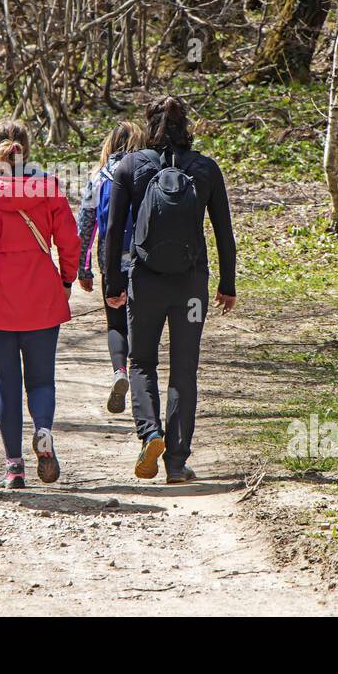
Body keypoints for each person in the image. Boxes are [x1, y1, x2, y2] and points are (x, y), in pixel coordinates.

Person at [102, 96, 237, 484]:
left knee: (142, 361)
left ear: (149, 126)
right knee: (184, 370)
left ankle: (151, 434)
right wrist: (227, 283)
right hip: (192, 283)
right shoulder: (206, 169)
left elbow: (113, 232)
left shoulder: (130, 166)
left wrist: (113, 282)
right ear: (186, 126)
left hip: (145, 280)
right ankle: (177, 462)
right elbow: (223, 232)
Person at [0, 119, 80, 489]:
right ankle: (43, 430)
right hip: (41, 293)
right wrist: (67, 279)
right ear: (28, 148)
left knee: (6, 383)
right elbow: (69, 241)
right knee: (41, 379)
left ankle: (14, 467)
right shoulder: (49, 188)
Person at [77, 120, 146, 414]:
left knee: (115, 324)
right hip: (145, 260)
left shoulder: (99, 176)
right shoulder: (148, 171)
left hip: (111, 260)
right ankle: (145, 383)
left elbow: (85, 224)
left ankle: (120, 371)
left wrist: (83, 267)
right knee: (142, 323)